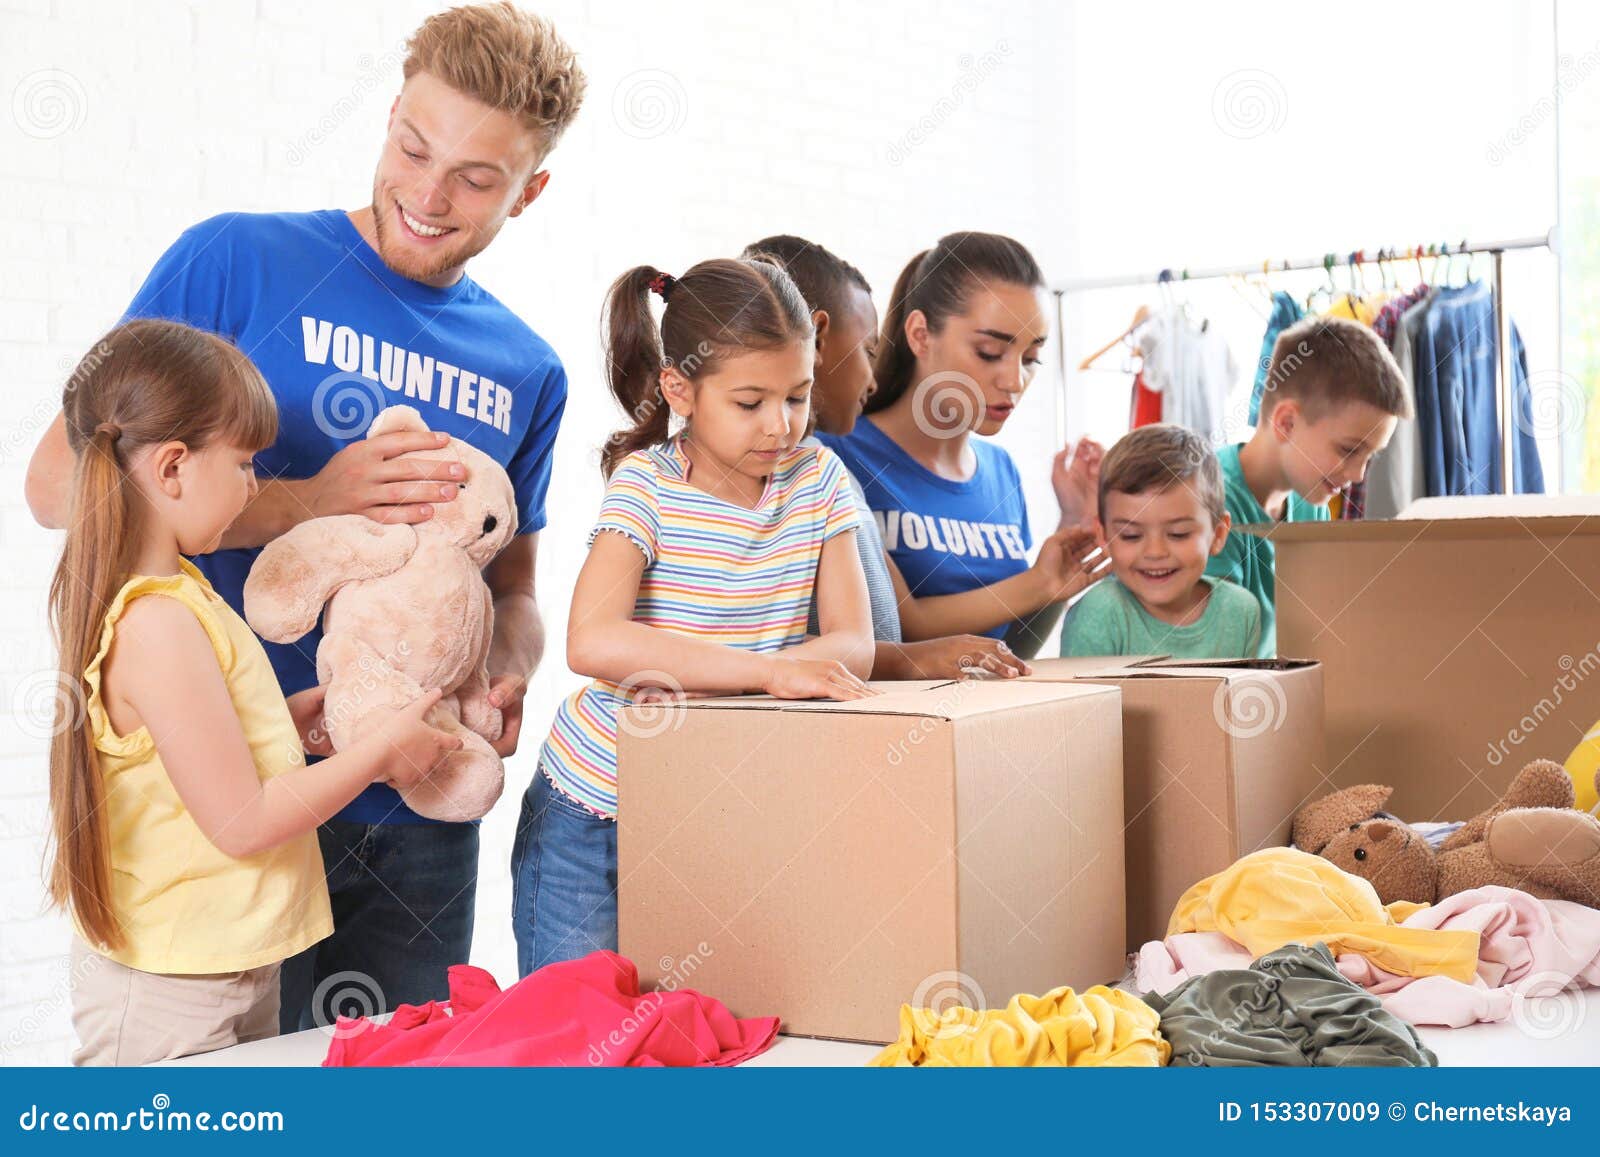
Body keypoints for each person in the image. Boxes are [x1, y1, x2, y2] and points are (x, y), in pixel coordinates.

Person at [24, 2, 585, 1030]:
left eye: (476, 179)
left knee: (390, 1095)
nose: (428, 194)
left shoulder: (528, 369)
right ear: (388, 116)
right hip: (230, 800)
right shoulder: (233, 262)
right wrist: (310, 502)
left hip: (417, 810)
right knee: (228, 1091)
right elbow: (59, 487)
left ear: (530, 191)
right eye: (413, 148)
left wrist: (502, 671)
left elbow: (517, 593)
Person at [48, 320, 459, 1065]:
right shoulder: (158, 622)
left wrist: (290, 721)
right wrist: (378, 753)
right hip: (174, 991)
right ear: (172, 467)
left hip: (223, 966)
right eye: (243, 463)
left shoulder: (184, 592)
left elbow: (193, 751)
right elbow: (242, 822)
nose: (252, 485)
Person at [512, 256, 876, 975]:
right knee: (574, 1021)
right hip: (597, 806)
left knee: (697, 1020)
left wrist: (764, 673)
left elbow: (854, 644)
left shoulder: (818, 480)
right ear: (680, 389)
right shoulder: (646, 485)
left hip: (722, 806)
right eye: (750, 402)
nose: (781, 425)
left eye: (797, 396)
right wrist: (767, 673)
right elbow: (591, 641)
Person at [743, 234, 1029, 680]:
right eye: (868, 350)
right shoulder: (782, 472)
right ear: (818, 341)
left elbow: (871, 634)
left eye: (1032, 357)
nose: (873, 379)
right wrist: (913, 660)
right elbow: (753, 641)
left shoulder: (823, 467)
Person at [817, 231, 1108, 659]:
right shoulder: (837, 456)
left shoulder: (1001, 471)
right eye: (989, 352)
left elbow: (1010, 653)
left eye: (1031, 359)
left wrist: (1073, 526)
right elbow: (893, 632)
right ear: (920, 335)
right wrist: (1037, 583)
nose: (1015, 381)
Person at [1209, 314, 1410, 657]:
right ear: (1287, 423)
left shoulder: (1310, 500)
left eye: (1370, 457)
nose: (1358, 475)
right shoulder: (1206, 504)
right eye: (1348, 450)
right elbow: (1214, 666)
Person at [1059, 424, 1259, 659]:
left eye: (1178, 534)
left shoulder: (1241, 611)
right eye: (1131, 535)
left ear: (1218, 534)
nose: (1155, 552)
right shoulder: (1097, 614)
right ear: (1104, 537)